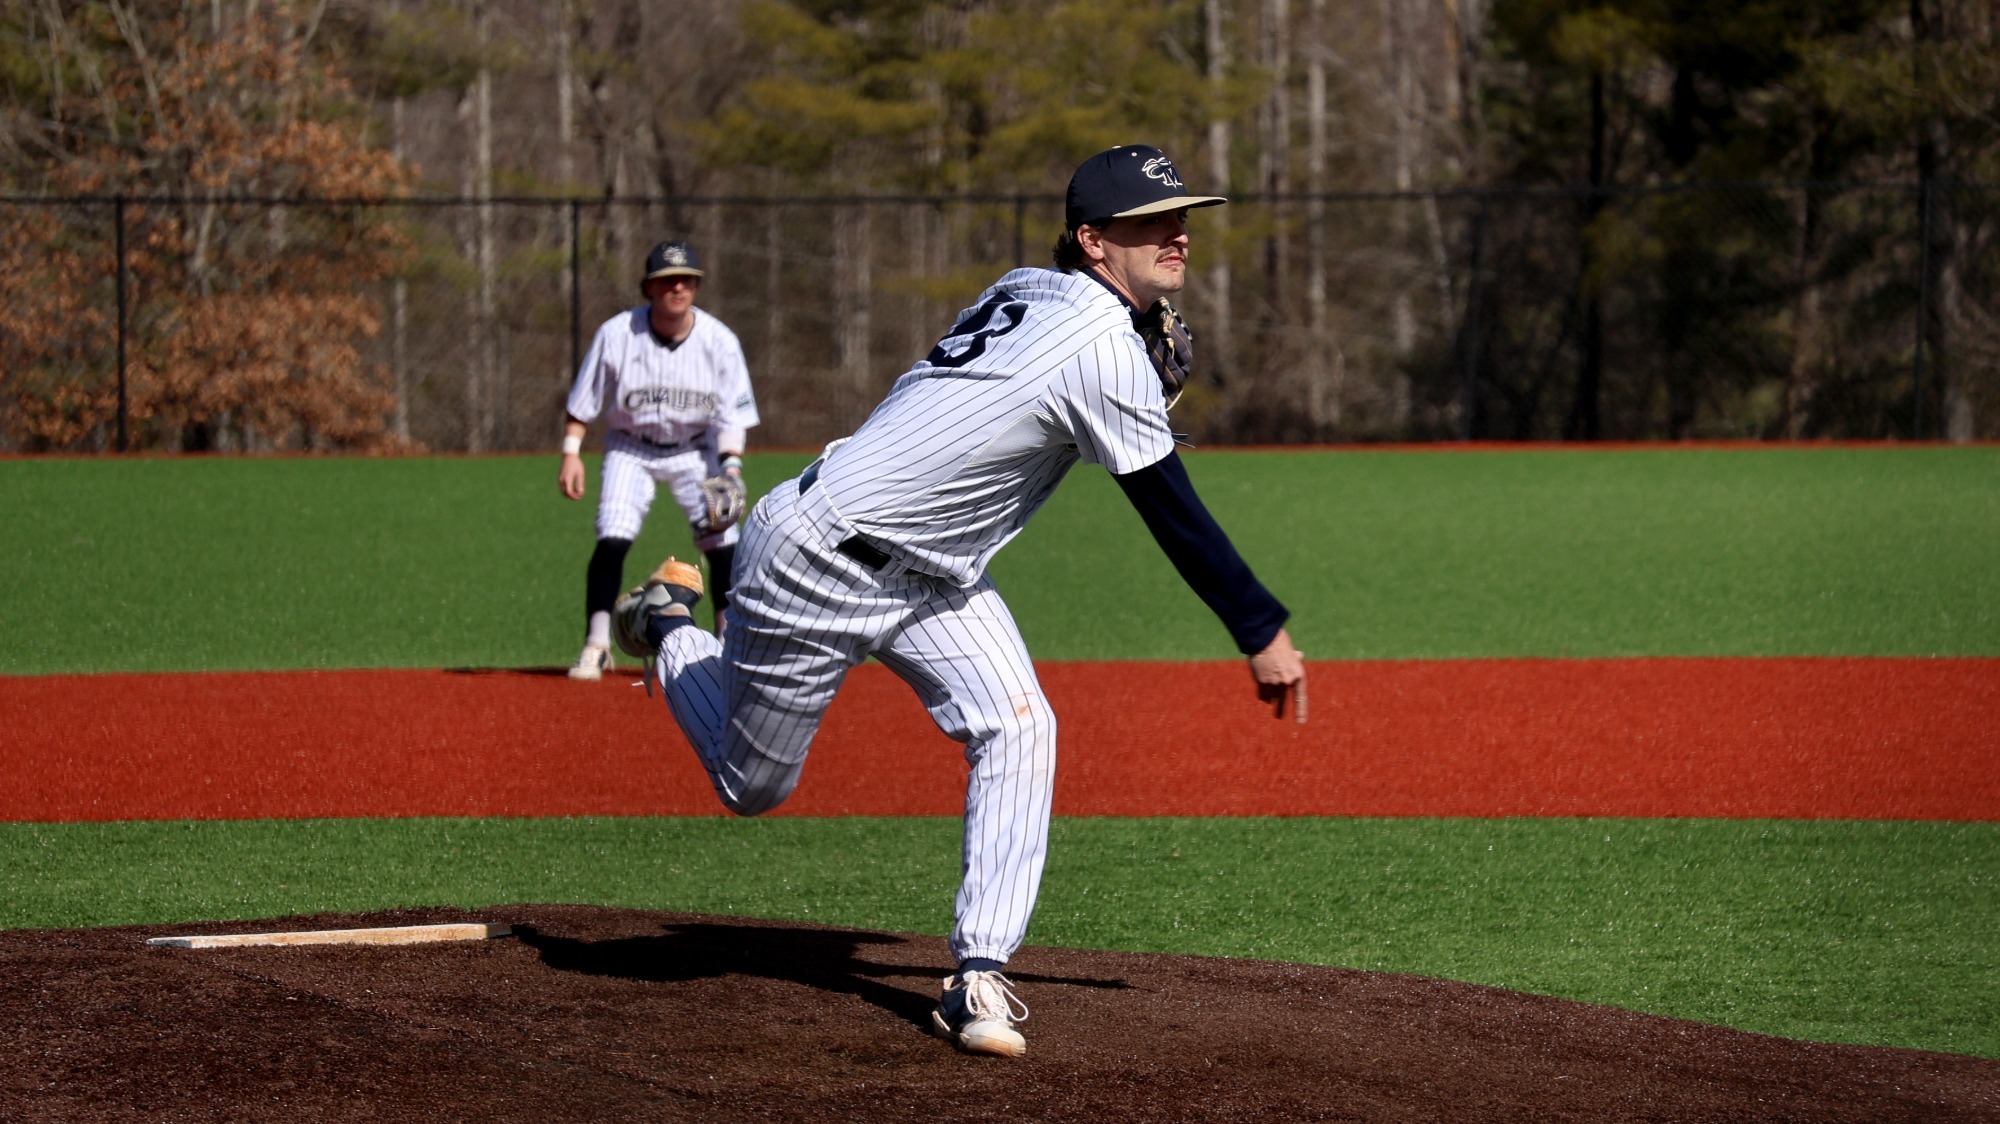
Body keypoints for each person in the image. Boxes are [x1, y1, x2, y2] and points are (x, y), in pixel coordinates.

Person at [609, 145, 1306, 1057]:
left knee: (1019, 726)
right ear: (1095, 241)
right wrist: (1259, 628)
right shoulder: (1100, 342)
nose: (1177, 234)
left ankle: (979, 973)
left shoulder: (1030, 284)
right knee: (751, 788)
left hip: (937, 574)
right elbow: (1172, 511)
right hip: (817, 557)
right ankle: (667, 623)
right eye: (1149, 222)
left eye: (1180, 217)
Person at [558, 239, 760, 679]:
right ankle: (597, 645)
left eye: (686, 279)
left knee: (724, 547)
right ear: (648, 288)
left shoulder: (719, 341)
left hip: (696, 449)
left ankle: (727, 646)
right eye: (667, 280)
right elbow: (582, 402)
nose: (677, 287)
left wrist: (731, 467)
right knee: (612, 539)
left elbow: (732, 415)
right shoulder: (617, 335)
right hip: (631, 447)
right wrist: (571, 453)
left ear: (696, 286)